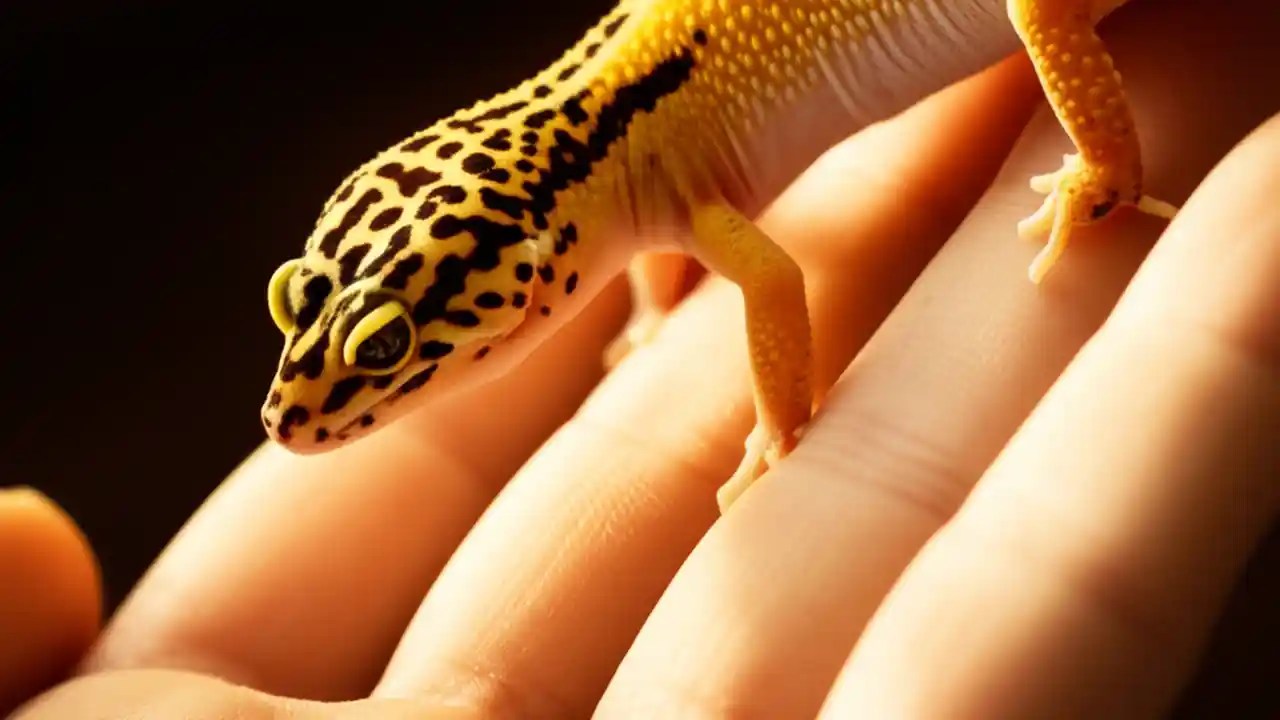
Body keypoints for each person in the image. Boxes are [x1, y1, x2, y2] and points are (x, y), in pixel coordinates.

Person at [4, 0, 1277, 716]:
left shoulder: (643, 184)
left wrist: (784, 432)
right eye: (314, 315)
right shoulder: (626, 194)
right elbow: (698, 252)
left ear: (542, 254)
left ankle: (1113, 170)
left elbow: (772, 276)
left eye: (388, 350)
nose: (306, 404)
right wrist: (648, 301)